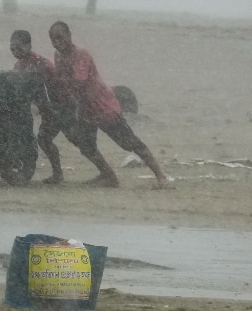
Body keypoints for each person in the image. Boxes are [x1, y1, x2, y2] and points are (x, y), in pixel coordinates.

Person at [48, 20, 171, 188]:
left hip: (102, 105)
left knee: (130, 142)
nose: (57, 43)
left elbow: (78, 82)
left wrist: (59, 84)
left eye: (60, 38)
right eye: (53, 40)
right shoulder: (58, 56)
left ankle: (160, 176)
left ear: (69, 35)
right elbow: (64, 83)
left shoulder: (81, 54)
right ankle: (109, 176)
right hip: (85, 108)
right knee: (86, 146)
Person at [9, 29, 67, 185]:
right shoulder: (18, 65)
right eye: (12, 49)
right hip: (43, 108)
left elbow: (50, 89)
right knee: (42, 139)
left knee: (45, 139)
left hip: (57, 107)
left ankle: (58, 175)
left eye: (18, 48)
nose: (15, 52)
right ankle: (57, 174)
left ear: (28, 45)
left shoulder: (42, 64)